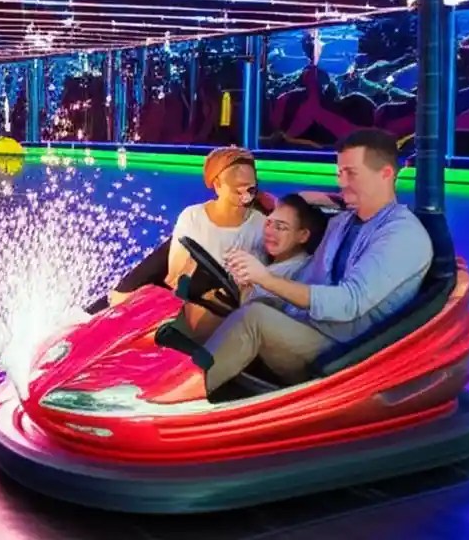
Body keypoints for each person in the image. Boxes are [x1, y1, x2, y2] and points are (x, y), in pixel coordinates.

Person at [159, 129, 433, 397]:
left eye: (351, 174)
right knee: (249, 305)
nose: (341, 182)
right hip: (315, 327)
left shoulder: (402, 235)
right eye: (339, 173)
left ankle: (175, 398)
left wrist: (266, 279)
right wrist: (251, 285)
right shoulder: (344, 223)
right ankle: (180, 376)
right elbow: (308, 276)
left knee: (255, 319)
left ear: (385, 174)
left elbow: (350, 303)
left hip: (348, 353)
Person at [102, 146, 267, 310]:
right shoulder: (193, 217)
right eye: (237, 189)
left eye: (250, 189)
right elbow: (176, 276)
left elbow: (259, 282)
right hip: (192, 302)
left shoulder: (260, 224)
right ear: (217, 185)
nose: (245, 196)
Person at [169, 193, 329, 342]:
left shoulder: (299, 271)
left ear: (303, 235)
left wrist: (242, 286)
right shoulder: (274, 261)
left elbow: (254, 310)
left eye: (280, 227)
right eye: (268, 223)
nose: (269, 232)